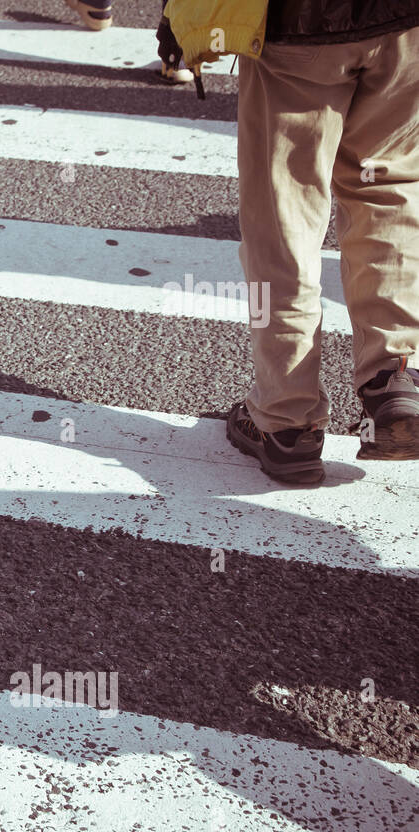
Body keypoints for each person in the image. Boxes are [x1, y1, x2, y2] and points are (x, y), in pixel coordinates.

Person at [164, 0, 419, 482]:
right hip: (406, 23)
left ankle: (287, 422)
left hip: (298, 25)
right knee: (387, 188)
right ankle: (395, 374)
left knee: (284, 220)